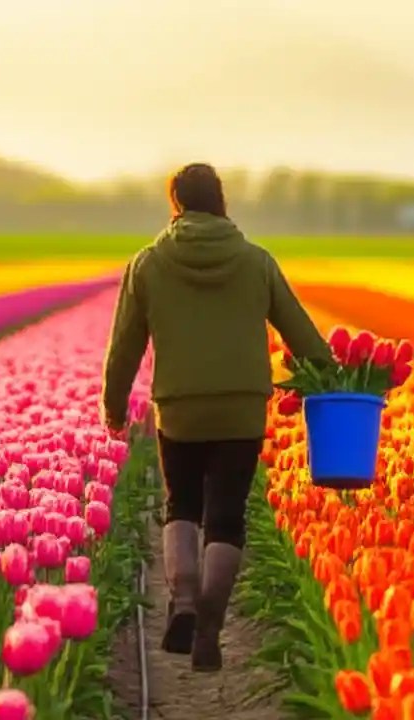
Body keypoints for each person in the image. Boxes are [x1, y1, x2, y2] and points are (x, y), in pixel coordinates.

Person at [100, 162, 331, 672]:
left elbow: (124, 347)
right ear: (221, 200)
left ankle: (182, 601)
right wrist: (332, 378)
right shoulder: (255, 261)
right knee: (226, 516)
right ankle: (210, 624)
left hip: (180, 407)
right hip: (241, 407)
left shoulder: (148, 264)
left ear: (176, 203)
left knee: (181, 504)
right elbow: (301, 333)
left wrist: (114, 406)